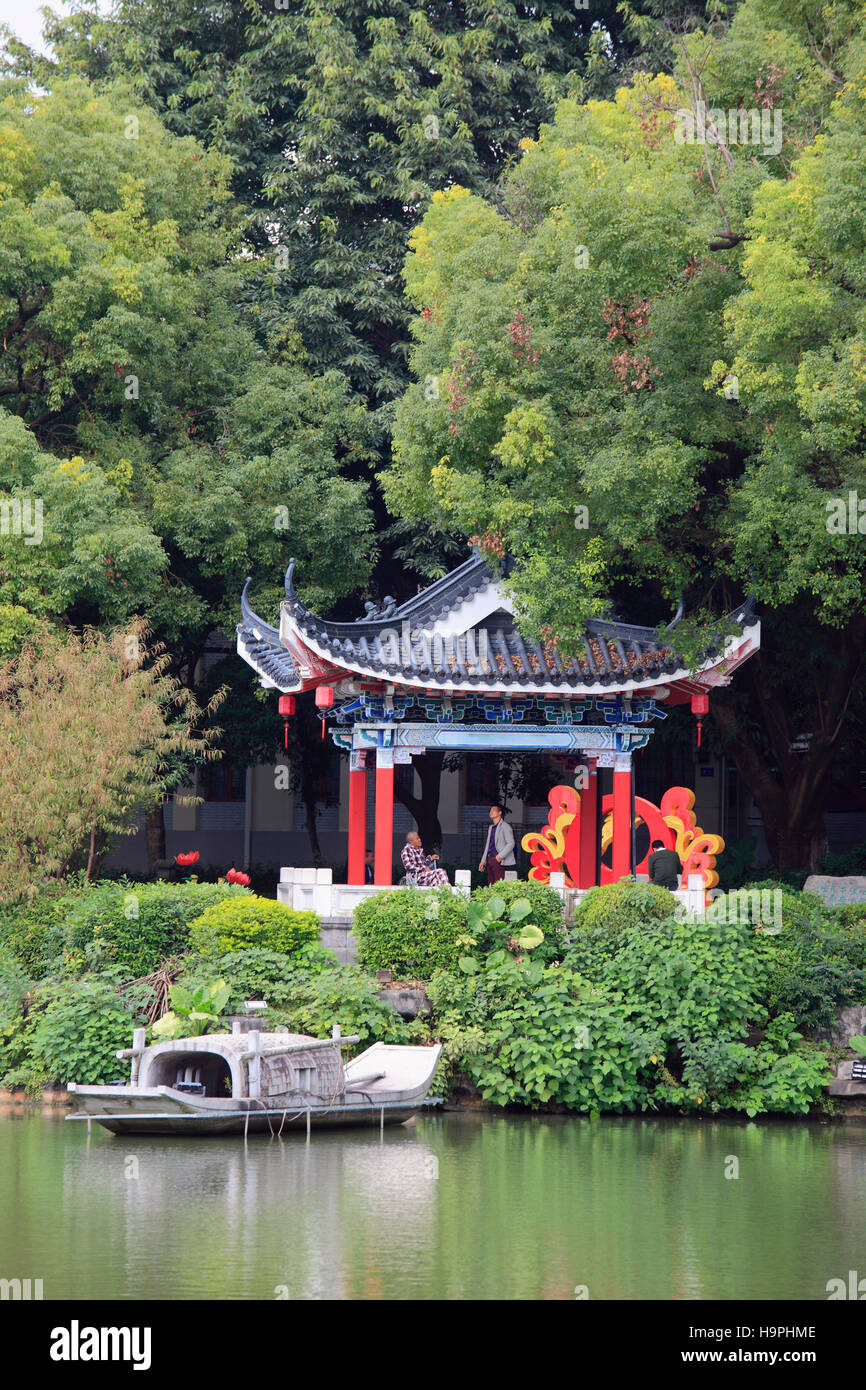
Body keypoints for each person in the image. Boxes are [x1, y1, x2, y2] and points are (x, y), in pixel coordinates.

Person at [478, 803, 515, 884]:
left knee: (498, 884)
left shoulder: (505, 826)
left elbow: (511, 843)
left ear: (500, 813)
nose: (491, 812)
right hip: (489, 858)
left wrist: (499, 856)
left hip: (498, 860)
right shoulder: (491, 827)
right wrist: (483, 860)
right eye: (490, 811)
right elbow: (488, 845)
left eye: (494, 810)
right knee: (491, 884)